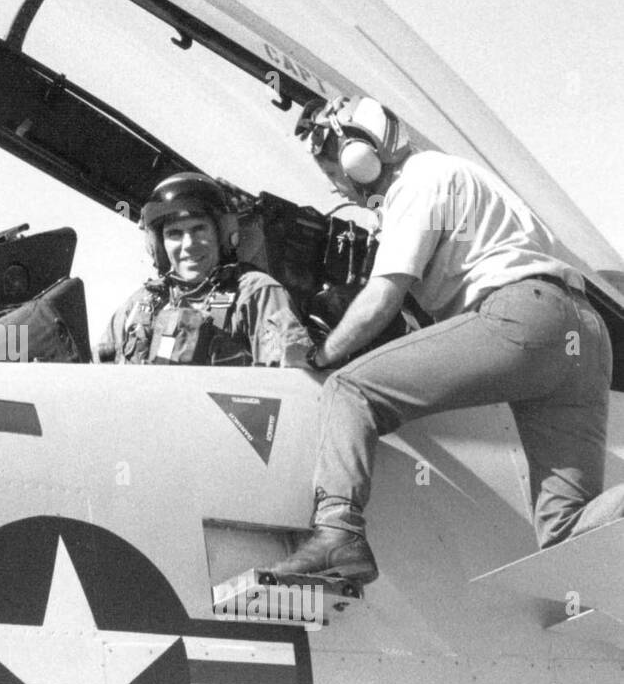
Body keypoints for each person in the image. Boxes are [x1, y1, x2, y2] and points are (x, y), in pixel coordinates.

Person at [266, 95, 624, 584]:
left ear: (358, 156)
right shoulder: (461, 177)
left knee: (350, 390)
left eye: (332, 171)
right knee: (567, 533)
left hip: (523, 320)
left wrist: (319, 353)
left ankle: (337, 537)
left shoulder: (417, 182)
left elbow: (383, 296)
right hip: (581, 334)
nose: (338, 187)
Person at [97, 172, 311, 367]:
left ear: (221, 234)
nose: (188, 244)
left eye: (199, 229)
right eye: (174, 234)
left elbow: (290, 380)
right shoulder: (140, 304)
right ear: (160, 245)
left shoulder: (255, 294)